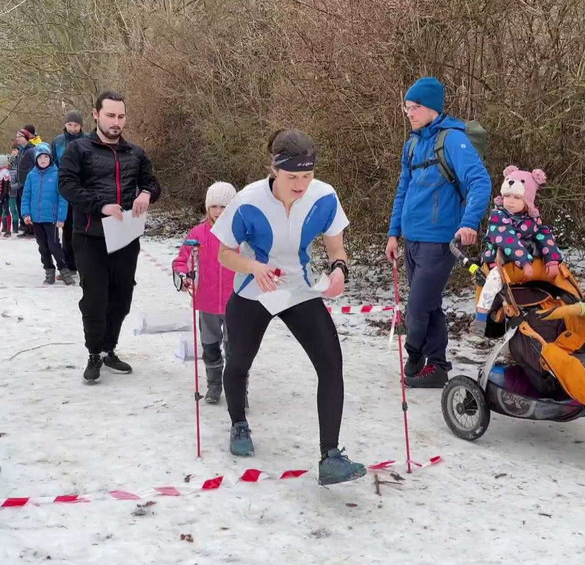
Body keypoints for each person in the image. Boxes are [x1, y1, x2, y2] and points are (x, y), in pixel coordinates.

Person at [212, 129, 366, 485]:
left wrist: (339, 270)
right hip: (254, 291)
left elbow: (335, 248)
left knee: (331, 363)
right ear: (274, 169)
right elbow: (224, 253)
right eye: (292, 176)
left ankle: (330, 456)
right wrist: (254, 267)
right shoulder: (249, 200)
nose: (300, 184)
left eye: (307, 175)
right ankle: (238, 424)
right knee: (238, 363)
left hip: (298, 288)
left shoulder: (325, 196)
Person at [385, 76, 492, 388]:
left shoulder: (454, 141)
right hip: (412, 238)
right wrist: (394, 233)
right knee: (429, 305)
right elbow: (402, 189)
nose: (409, 113)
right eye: (406, 107)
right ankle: (439, 367)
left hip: (440, 241)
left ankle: (415, 354)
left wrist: (469, 223)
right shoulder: (413, 143)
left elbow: (480, 182)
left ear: (431, 107)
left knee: (418, 305)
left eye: (415, 107)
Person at [58, 91, 161, 383]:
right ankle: (94, 353)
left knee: (122, 297)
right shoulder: (79, 149)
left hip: (126, 236)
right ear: (96, 115)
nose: (116, 122)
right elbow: (66, 186)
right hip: (90, 234)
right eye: (110, 116)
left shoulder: (136, 153)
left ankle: (109, 348)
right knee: (94, 298)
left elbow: (153, 183)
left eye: (121, 116)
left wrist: (145, 193)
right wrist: (99, 205)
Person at [474, 166, 564, 333]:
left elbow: (543, 235)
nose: (510, 201)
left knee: (560, 274)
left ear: (527, 200)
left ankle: (566, 307)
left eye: (517, 197)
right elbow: (508, 240)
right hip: (499, 260)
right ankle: (481, 314)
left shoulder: (531, 218)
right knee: (494, 280)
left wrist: (551, 259)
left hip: (525, 261)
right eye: (507, 195)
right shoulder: (498, 216)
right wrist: (524, 262)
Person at [171, 181, 237, 404]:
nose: (219, 212)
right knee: (210, 345)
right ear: (207, 207)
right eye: (214, 206)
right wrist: (183, 275)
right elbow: (182, 260)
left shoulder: (241, 234)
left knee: (235, 348)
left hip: (235, 302)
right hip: (206, 301)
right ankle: (214, 385)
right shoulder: (198, 233)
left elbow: (257, 260)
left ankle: (238, 389)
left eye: (224, 207)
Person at [21, 143, 74, 285]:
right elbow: (26, 196)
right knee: (43, 246)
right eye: (40, 158)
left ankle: (64, 270)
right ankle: (49, 271)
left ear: (50, 158)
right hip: (36, 219)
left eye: (46, 157)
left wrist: (61, 217)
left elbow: (63, 198)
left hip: (51, 218)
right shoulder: (31, 176)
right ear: (36, 160)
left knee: (54, 245)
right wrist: (26, 213)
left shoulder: (57, 174)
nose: (43, 160)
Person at [53, 111, 84, 274]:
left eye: (76, 125)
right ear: (65, 124)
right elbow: (52, 165)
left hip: (83, 188)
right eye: (70, 124)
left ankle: (84, 262)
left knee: (83, 227)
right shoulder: (57, 141)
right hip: (64, 189)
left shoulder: (87, 141)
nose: (72, 128)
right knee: (67, 228)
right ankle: (69, 264)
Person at [0, 154, 13, 237]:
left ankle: (8, 230)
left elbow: (5, 185)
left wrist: (3, 195)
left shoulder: (5, 172)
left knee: (6, 211)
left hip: (4, 195)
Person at [7, 145, 22, 235]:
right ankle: (5, 226)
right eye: (13, 150)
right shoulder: (5, 170)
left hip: (14, 193)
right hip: (5, 194)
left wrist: (12, 187)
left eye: (15, 150)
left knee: (14, 209)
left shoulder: (18, 168)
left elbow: (19, 182)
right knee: (5, 210)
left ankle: (15, 226)